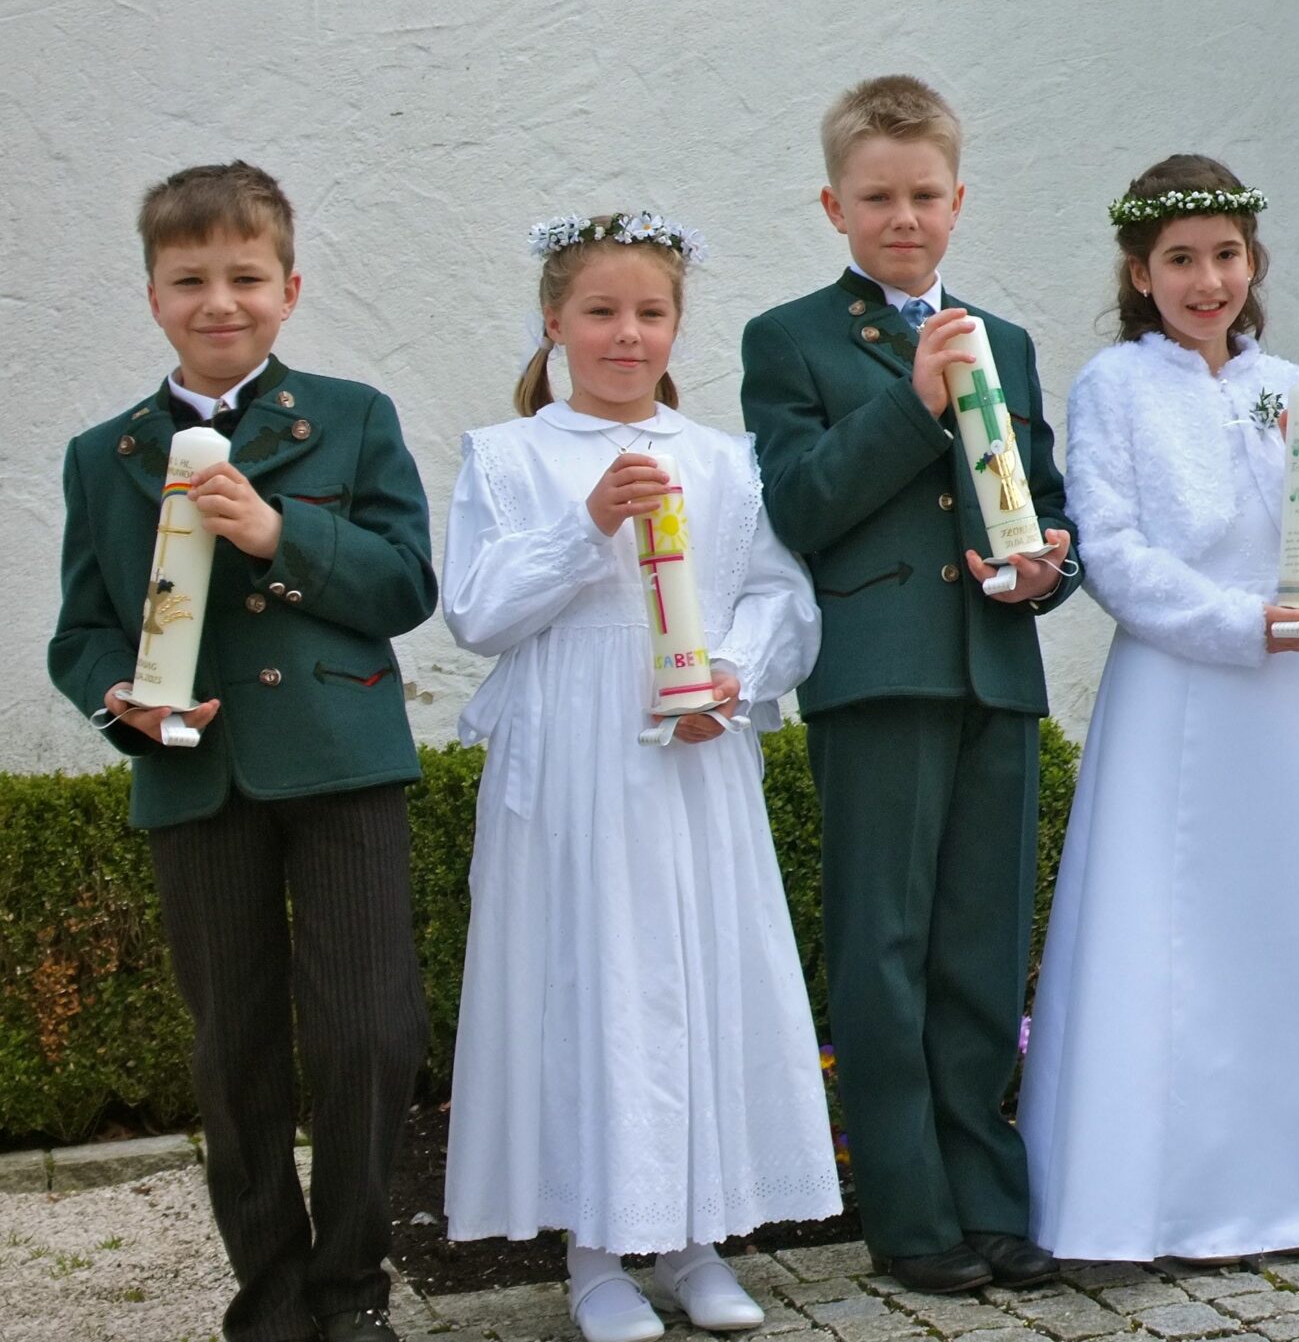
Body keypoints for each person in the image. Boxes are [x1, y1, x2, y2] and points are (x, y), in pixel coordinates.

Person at [1017, 154, 1299, 1262]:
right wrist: (1236, 626)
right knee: (1173, 928)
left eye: (1225, 255)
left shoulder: (1289, 384)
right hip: (1175, 689)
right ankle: (1163, 1191)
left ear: (1251, 262)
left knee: (1296, 919)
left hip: (1277, 699)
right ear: (1139, 272)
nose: (1206, 279)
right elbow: (1117, 554)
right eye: (1180, 260)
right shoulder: (1112, 387)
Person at [47, 160, 436, 1342]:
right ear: (154, 295)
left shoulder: (354, 414)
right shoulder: (100, 453)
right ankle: (270, 1296)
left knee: (370, 1034)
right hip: (194, 773)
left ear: (290, 285)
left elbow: (407, 584)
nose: (221, 301)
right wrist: (118, 698)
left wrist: (280, 533)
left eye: (246, 277)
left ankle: (352, 1284)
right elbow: (81, 630)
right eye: (190, 280)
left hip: (341, 757)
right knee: (236, 1048)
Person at [442, 212, 839, 1340]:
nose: (627, 334)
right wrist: (581, 529)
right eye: (601, 312)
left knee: (692, 971)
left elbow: (778, 596)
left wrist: (732, 673)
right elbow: (475, 610)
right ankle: (594, 1253)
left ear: (676, 325)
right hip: (572, 754)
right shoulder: (510, 456)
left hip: (689, 756)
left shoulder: (721, 458)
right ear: (556, 322)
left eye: (650, 313)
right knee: (590, 978)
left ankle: (698, 1236)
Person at [740, 75, 1081, 1294]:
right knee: (882, 947)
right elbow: (802, 503)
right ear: (834, 204)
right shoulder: (789, 340)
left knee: (985, 947)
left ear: (957, 198)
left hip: (994, 669)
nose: (903, 217)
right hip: (877, 677)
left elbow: (1044, 500)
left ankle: (990, 1197)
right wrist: (913, 398)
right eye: (876, 197)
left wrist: (1047, 567)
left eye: (924, 195)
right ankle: (908, 1210)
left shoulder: (1012, 338)